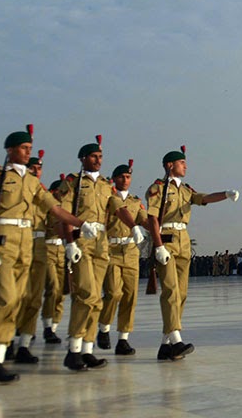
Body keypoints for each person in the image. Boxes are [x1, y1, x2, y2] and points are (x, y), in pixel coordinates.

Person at [0, 128, 101, 386]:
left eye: (29, 148)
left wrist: (81, 223)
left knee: (16, 302)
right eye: (24, 148)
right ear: (10, 150)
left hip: (26, 246)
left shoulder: (32, 181)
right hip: (4, 242)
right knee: (3, 299)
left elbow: (55, 208)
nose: (28, 152)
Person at [145, 147, 239, 359]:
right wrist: (158, 246)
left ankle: (165, 345)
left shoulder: (185, 190)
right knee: (170, 291)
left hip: (183, 242)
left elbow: (203, 198)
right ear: (170, 165)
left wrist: (225, 194)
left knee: (182, 294)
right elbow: (152, 218)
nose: (185, 166)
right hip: (166, 241)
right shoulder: (157, 188)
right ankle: (176, 341)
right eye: (181, 163)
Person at [58, 139, 144, 371]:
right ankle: (74, 349)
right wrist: (70, 243)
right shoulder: (73, 183)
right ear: (83, 159)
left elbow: (119, 207)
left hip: (101, 244)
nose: (98, 160)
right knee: (86, 294)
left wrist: (133, 226)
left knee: (96, 299)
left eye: (100, 157)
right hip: (82, 242)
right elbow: (64, 213)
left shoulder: (106, 186)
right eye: (93, 156)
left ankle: (87, 349)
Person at [98, 162, 150, 354]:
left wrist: (156, 226)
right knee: (113, 293)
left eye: (128, 177)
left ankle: (123, 338)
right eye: (121, 177)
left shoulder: (135, 201)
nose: (125, 180)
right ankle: (104, 327)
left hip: (130, 251)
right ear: (114, 179)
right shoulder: (108, 199)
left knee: (130, 295)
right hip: (111, 248)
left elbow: (144, 219)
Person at [12, 152, 50, 364]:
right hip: (16, 244)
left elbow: (55, 215)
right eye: (32, 167)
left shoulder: (43, 194)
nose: (36, 171)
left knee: (35, 297)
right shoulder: (18, 189)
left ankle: (24, 343)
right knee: (13, 296)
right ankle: (6, 340)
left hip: (39, 248)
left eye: (39, 168)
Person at [40, 179, 67, 344]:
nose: (62, 194)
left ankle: (54, 326)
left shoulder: (66, 208)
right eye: (60, 191)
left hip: (61, 250)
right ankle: (47, 326)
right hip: (47, 249)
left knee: (61, 291)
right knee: (53, 287)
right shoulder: (47, 207)